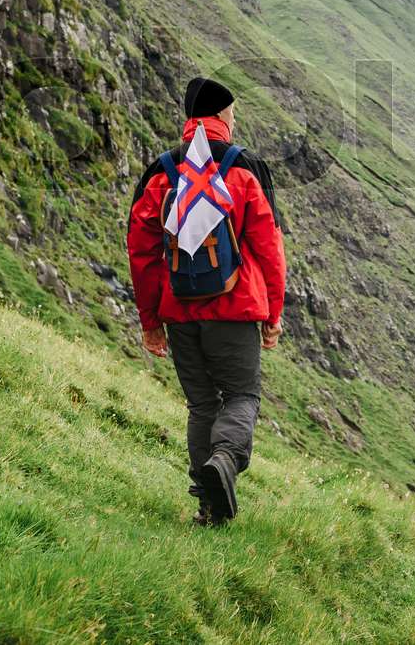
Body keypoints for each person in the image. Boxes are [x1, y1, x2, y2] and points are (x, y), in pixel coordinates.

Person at [127, 77, 285, 525]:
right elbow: (268, 246)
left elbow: (140, 252)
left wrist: (150, 320)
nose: (235, 121)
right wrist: (273, 313)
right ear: (219, 117)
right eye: (233, 114)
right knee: (241, 395)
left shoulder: (161, 172)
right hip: (235, 310)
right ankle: (225, 462)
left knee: (201, 405)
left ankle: (209, 508)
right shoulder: (243, 169)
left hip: (179, 311)